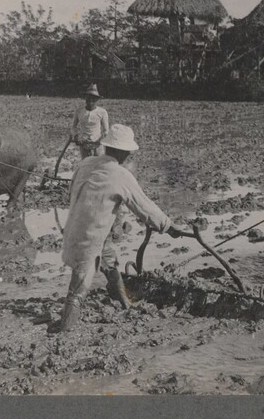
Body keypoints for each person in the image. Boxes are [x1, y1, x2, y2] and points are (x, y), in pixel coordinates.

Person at [53, 124, 184, 333]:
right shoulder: (120, 175)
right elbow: (144, 207)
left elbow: (73, 192)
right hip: (88, 241)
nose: (128, 156)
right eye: (128, 153)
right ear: (123, 152)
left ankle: (124, 303)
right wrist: (168, 226)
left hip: (73, 230)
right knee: (77, 290)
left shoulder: (86, 163)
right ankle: (64, 334)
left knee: (109, 261)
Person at [72, 84, 110, 158]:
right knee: (86, 163)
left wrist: (100, 139)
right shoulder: (79, 111)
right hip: (83, 142)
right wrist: (76, 136)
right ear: (85, 98)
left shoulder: (102, 112)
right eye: (88, 97)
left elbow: (106, 130)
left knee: (98, 163)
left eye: (93, 98)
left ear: (97, 99)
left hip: (97, 143)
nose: (90, 100)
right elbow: (73, 127)